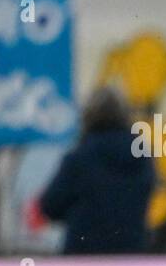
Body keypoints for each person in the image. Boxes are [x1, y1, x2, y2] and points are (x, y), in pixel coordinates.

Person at [28, 87, 154, 254]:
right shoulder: (141, 157)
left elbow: (50, 206)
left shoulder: (80, 157)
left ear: (88, 117)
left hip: (84, 257)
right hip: (131, 253)